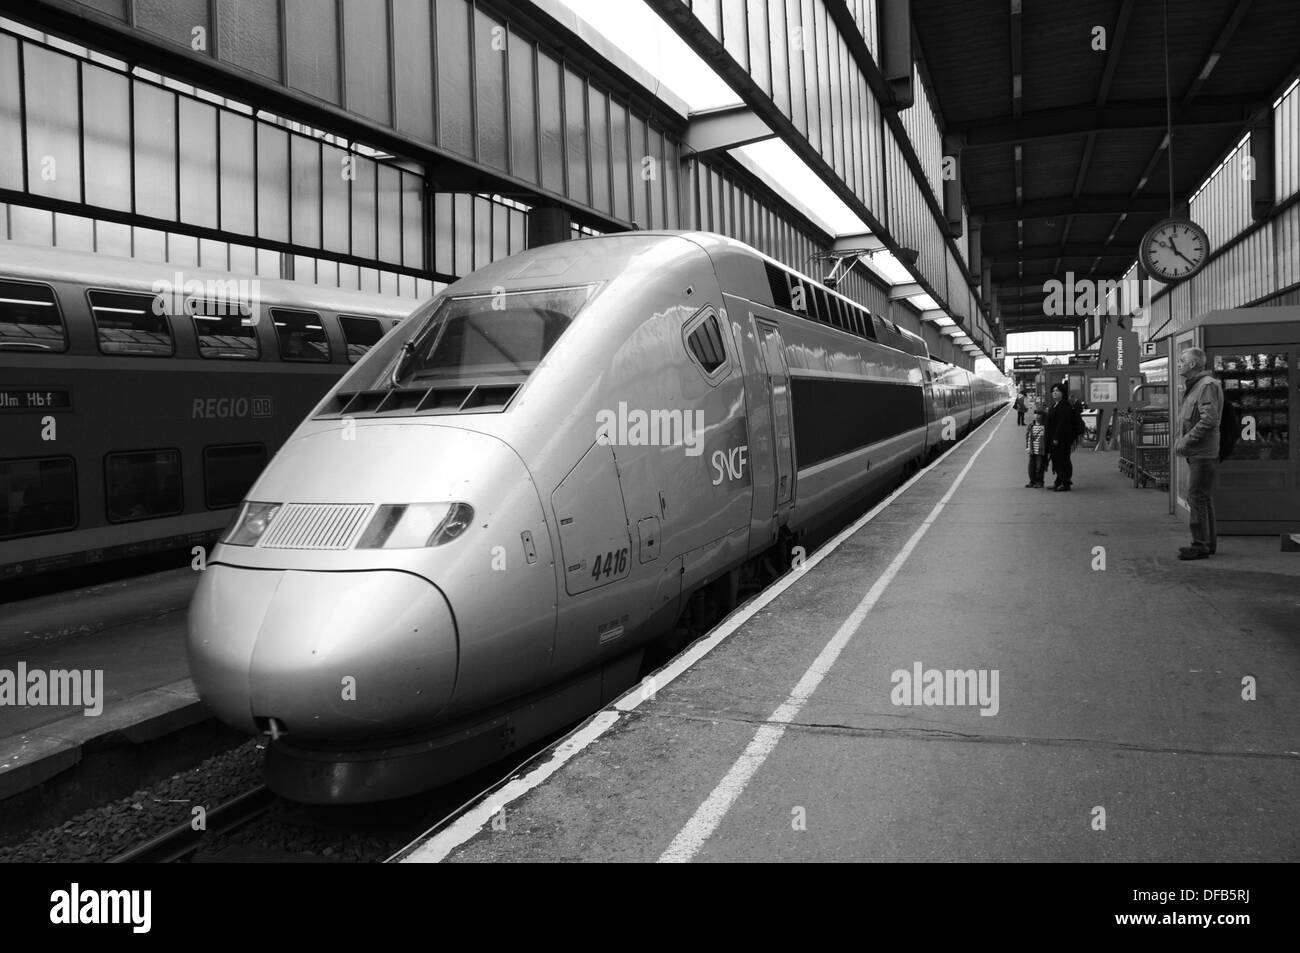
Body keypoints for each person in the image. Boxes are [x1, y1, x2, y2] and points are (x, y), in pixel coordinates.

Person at [1174, 346, 1222, 560]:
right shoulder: (1196, 386)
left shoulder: (1205, 386)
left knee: (1196, 497)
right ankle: (1207, 543)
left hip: (1202, 452)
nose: (1179, 364)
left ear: (1192, 364)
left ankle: (1200, 544)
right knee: (1203, 497)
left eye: (1182, 361)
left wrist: (1185, 440)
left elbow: (1209, 420)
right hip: (1199, 452)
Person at [1045, 383, 1078, 491]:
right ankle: (1059, 481)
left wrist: (1056, 438)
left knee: (1063, 460)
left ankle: (1066, 483)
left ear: (1063, 393)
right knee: (1057, 460)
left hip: (1062, 439)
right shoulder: (1055, 405)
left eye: (1057, 391)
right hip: (1054, 438)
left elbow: (1062, 424)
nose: (1054, 393)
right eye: (1053, 391)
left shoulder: (1064, 405)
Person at [1025, 409, 1048, 487]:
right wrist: (1027, 447)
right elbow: (1028, 437)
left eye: (1039, 414)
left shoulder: (1045, 427)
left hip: (1041, 451)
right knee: (1031, 467)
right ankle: (1032, 481)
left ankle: (1040, 482)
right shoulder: (1031, 426)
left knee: (1040, 467)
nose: (1036, 416)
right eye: (1035, 414)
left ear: (1042, 416)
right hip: (1032, 450)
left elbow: (1047, 439)